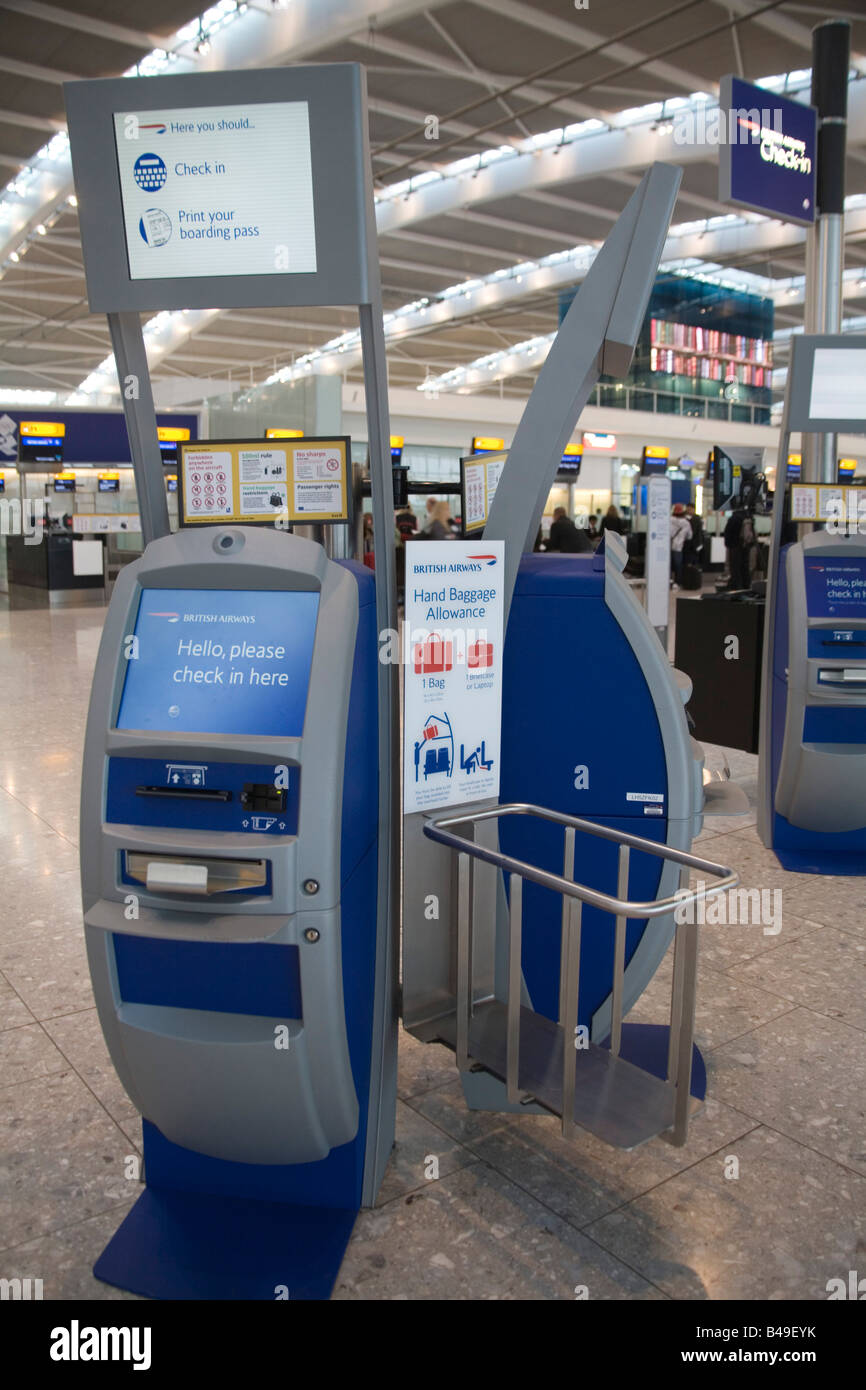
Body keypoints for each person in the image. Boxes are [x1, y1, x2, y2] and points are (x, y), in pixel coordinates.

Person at [669, 503, 691, 588]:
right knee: (678, 566)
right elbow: (690, 536)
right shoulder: (686, 523)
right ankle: (677, 582)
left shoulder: (669, 520)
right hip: (678, 548)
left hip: (668, 547)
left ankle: (669, 581)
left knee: (669, 566)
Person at [684, 502, 704, 569]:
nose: (689, 510)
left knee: (693, 560)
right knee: (687, 560)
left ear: (693, 509)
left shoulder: (697, 519)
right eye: (688, 509)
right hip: (687, 544)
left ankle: (692, 573)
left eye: (690, 509)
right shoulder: (684, 518)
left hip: (694, 543)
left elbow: (695, 531)